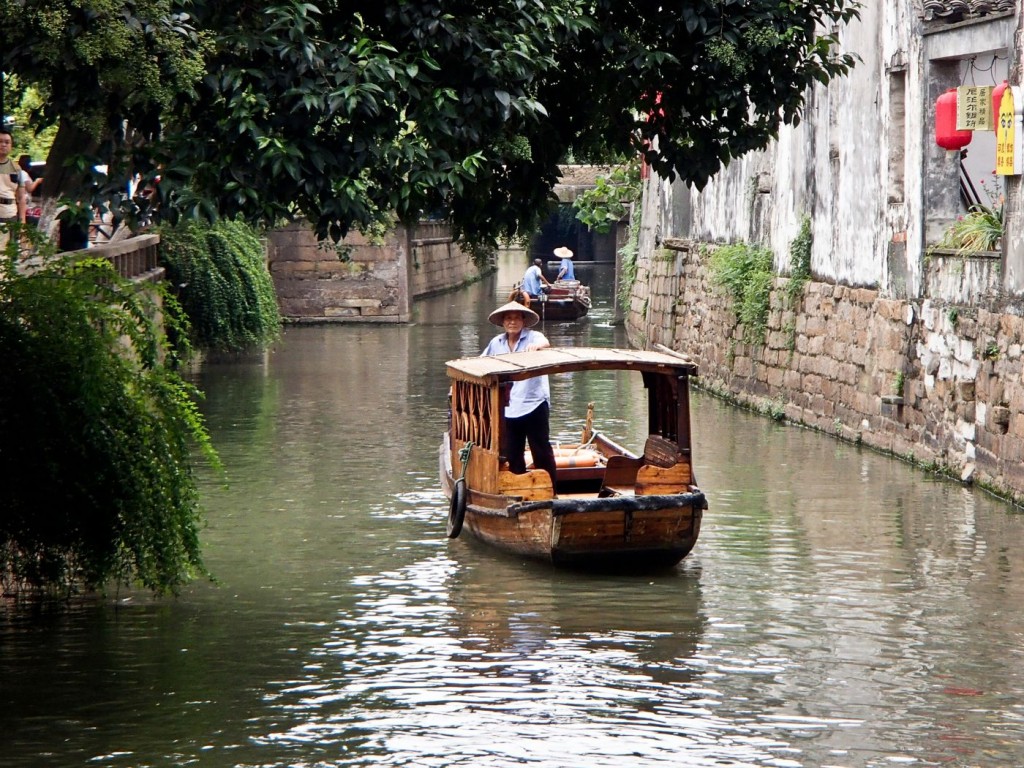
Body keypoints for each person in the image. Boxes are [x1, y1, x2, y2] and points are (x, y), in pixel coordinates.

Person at [481, 300, 558, 491]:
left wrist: (537, 348)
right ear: (503, 322)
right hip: (508, 406)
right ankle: (520, 491)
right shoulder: (496, 343)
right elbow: (481, 362)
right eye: (508, 318)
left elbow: (545, 343)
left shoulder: (534, 337)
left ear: (523, 320)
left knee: (540, 449)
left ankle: (550, 490)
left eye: (516, 318)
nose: (512, 322)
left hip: (534, 403)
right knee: (513, 453)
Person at [0, 128, 27, 227]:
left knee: (9, 242)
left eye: (7, 142)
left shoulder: (16, 168)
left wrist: (22, 221)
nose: (3, 145)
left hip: (10, 215)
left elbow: (21, 197)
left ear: (11, 146)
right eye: (0, 141)